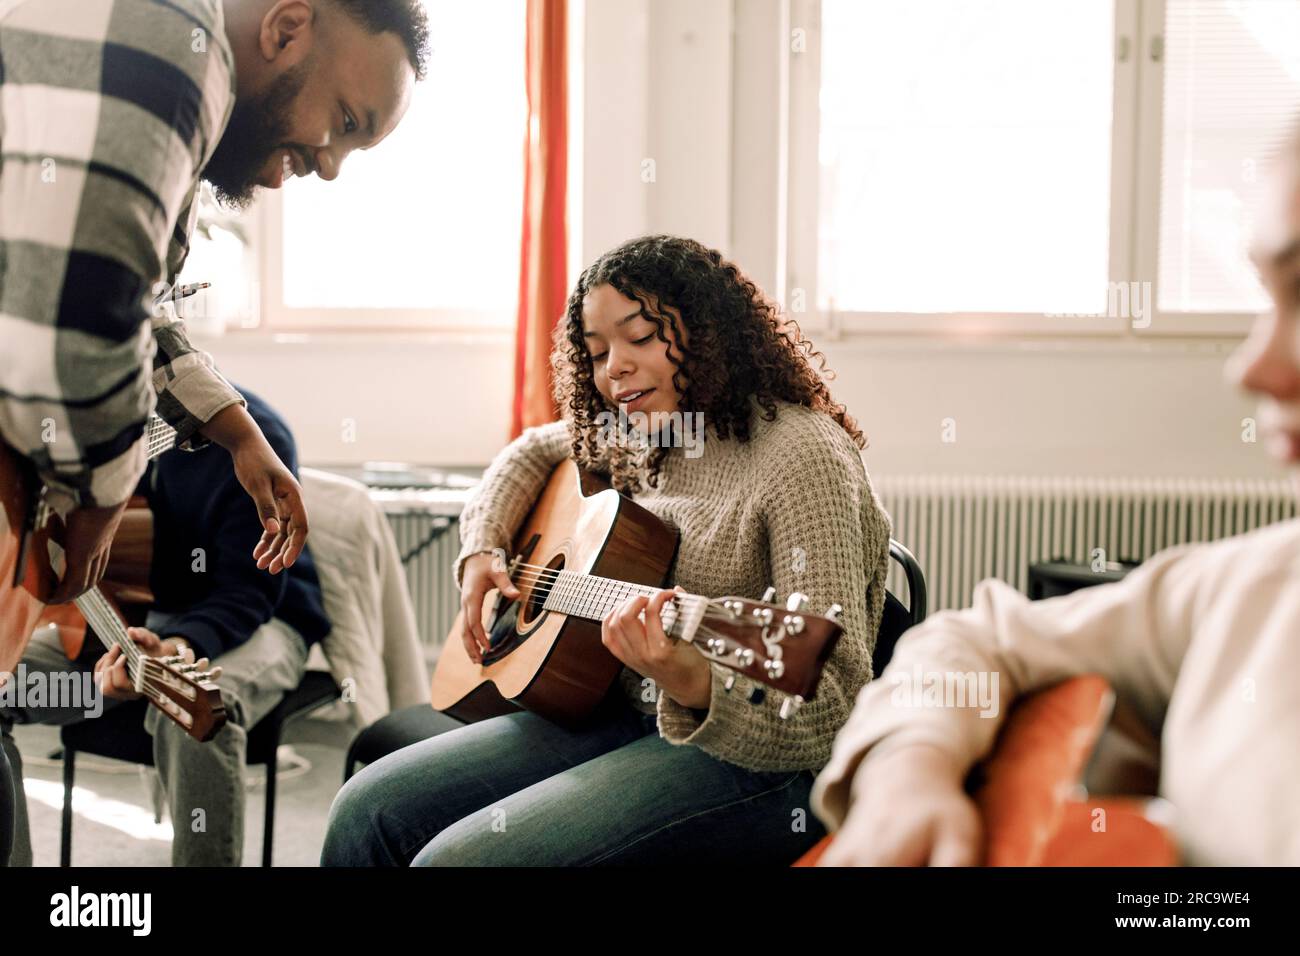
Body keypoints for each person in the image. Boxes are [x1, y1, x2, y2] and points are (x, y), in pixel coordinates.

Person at [810, 121, 1300, 868]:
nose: (1248, 368)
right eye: (1267, 294)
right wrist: (907, 767)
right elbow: (975, 638)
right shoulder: (1252, 587)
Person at [322, 235, 892, 866]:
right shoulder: (646, 428)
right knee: (366, 810)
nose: (613, 368)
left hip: (756, 758)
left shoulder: (802, 455)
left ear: (710, 331)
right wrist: (483, 549)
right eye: (595, 352)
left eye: (641, 337)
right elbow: (531, 450)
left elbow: (832, 701)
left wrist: (692, 676)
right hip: (615, 711)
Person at [1, 387, 332, 866]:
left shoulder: (254, 434)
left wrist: (180, 643)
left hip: (258, 617)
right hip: (121, 620)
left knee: (192, 712)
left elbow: (249, 592)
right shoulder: (81, 433)